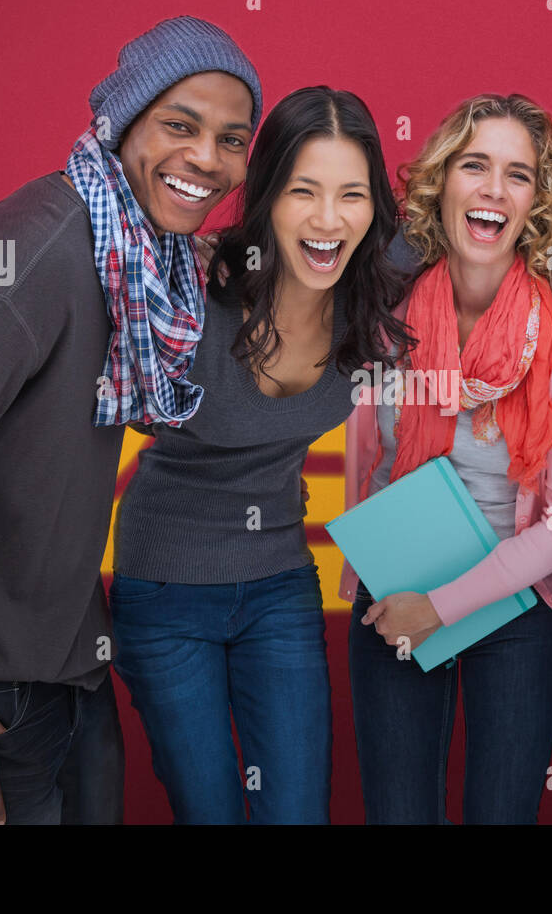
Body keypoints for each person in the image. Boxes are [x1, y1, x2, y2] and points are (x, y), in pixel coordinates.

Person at [0, 15, 263, 825]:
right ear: (121, 122)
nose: (207, 159)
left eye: (232, 139)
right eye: (180, 126)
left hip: (69, 671)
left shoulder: (143, 256)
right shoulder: (33, 256)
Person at [110, 86, 415, 824]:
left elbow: (499, 239)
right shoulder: (191, 284)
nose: (327, 219)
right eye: (302, 191)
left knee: (297, 810)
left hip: (278, 581)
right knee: (211, 809)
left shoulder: (379, 280)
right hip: (164, 586)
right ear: (265, 195)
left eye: (351, 194)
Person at [340, 93, 552, 824]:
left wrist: (444, 607)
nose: (493, 188)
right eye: (475, 165)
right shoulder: (381, 312)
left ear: (535, 202)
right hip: (398, 588)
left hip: (518, 608)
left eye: (517, 175)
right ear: (443, 182)